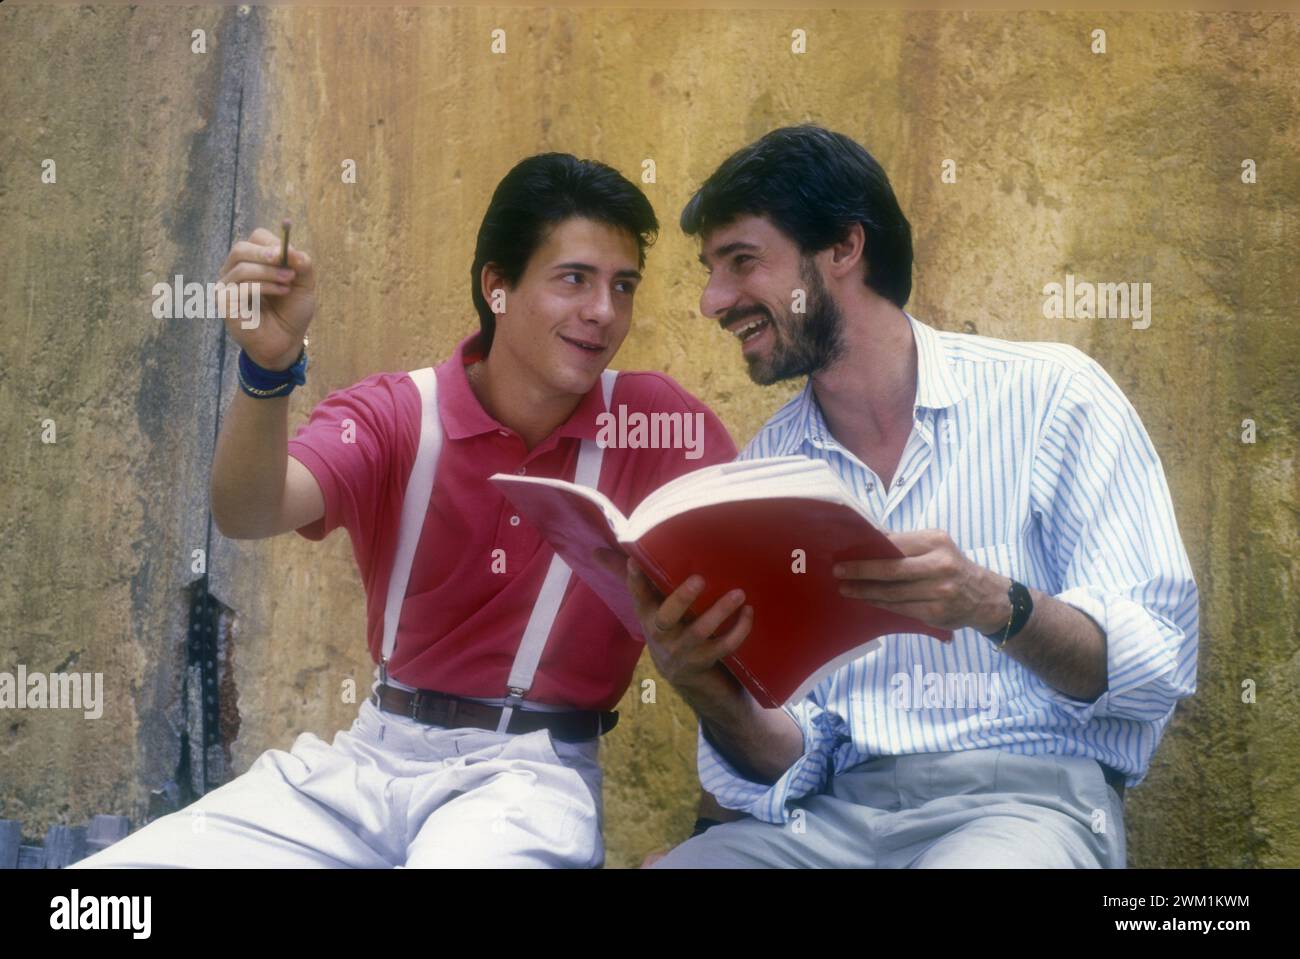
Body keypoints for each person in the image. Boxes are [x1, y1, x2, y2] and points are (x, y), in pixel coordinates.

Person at [73, 153, 735, 869]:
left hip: (530, 776)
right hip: (369, 758)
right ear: (498, 287)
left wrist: (717, 828)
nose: (604, 312)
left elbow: (752, 597)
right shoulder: (398, 413)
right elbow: (248, 509)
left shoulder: (660, 425)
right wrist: (267, 369)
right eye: (574, 278)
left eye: (623, 286)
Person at [617, 125, 1198, 868]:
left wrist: (996, 604)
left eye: (741, 262)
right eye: (711, 270)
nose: (713, 301)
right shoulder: (767, 467)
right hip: (827, 823)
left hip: (1021, 806)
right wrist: (700, 681)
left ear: (842, 249)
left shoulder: (1054, 397)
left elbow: (1157, 663)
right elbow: (789, 753)